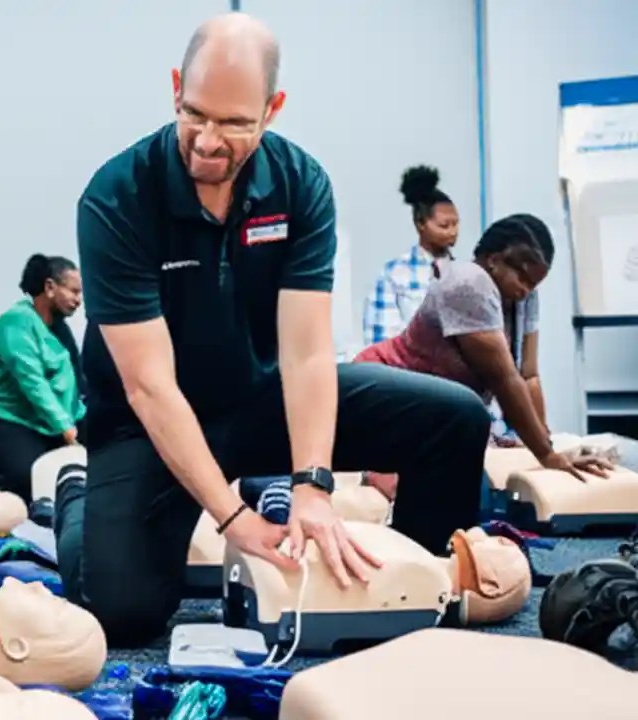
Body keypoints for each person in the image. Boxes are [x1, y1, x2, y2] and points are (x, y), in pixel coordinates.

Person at [54, 12, 494, 648]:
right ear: (176, 87)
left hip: (259, 399)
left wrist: (312, 486)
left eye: (235, 123)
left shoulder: (300, 184)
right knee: (122, 611)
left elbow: (309, 352)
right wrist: (232, 517)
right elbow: (150, 387)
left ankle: (418, 589)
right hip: (146, 421)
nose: (208, 140)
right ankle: (78, 495)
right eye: (194, 113)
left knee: (453, 418)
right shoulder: (117, 196)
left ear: (272, 108)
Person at [355, 214, 611, 482]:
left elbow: (528, 376)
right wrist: (547, 456)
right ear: (494, 260)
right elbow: (504, 380)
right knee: (406, 494)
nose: (526, 290)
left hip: (433, 412)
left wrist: (549, 445)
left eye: (533, 284)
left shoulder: (524, 298)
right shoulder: (468, 282)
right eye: (522, 278)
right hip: (386, 395)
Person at [0, 254, 86, 502]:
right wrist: (67, 432)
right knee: (31, 482)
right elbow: (34, 384)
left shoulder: (59, 328)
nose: (79, 300)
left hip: (48, 424)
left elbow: (73, 386)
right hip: (5, 422)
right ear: (50, 287)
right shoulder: (16, 322)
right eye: (74, 292)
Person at [362, 165, 459, 345]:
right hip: (407, 370)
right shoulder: (393, 275)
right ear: (420, 223)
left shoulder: (463, 274)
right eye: (444, 226)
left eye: (456, 224)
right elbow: (381, 342)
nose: (453, 232)